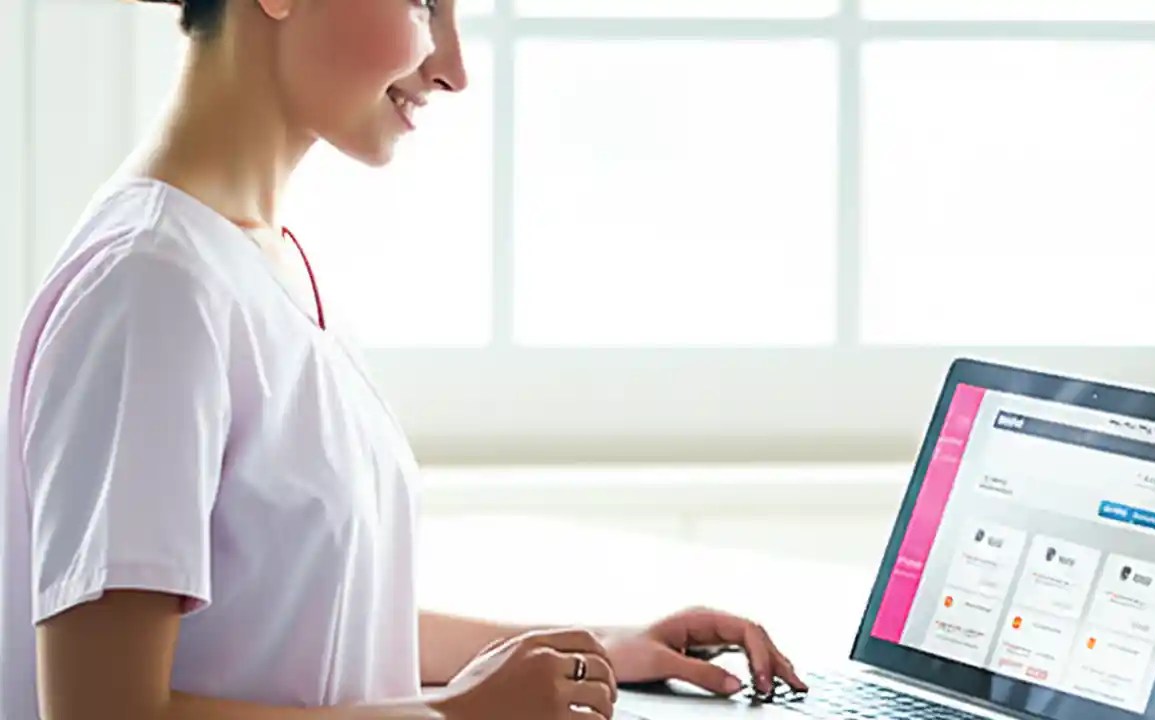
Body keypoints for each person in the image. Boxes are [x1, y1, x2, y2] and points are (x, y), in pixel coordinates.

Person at [0, 0, 807, 718]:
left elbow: (310, 618)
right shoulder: (153, 287)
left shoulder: (257, 262)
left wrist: (598, 647)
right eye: (426, 4)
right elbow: (104, 709)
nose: (452, 69)